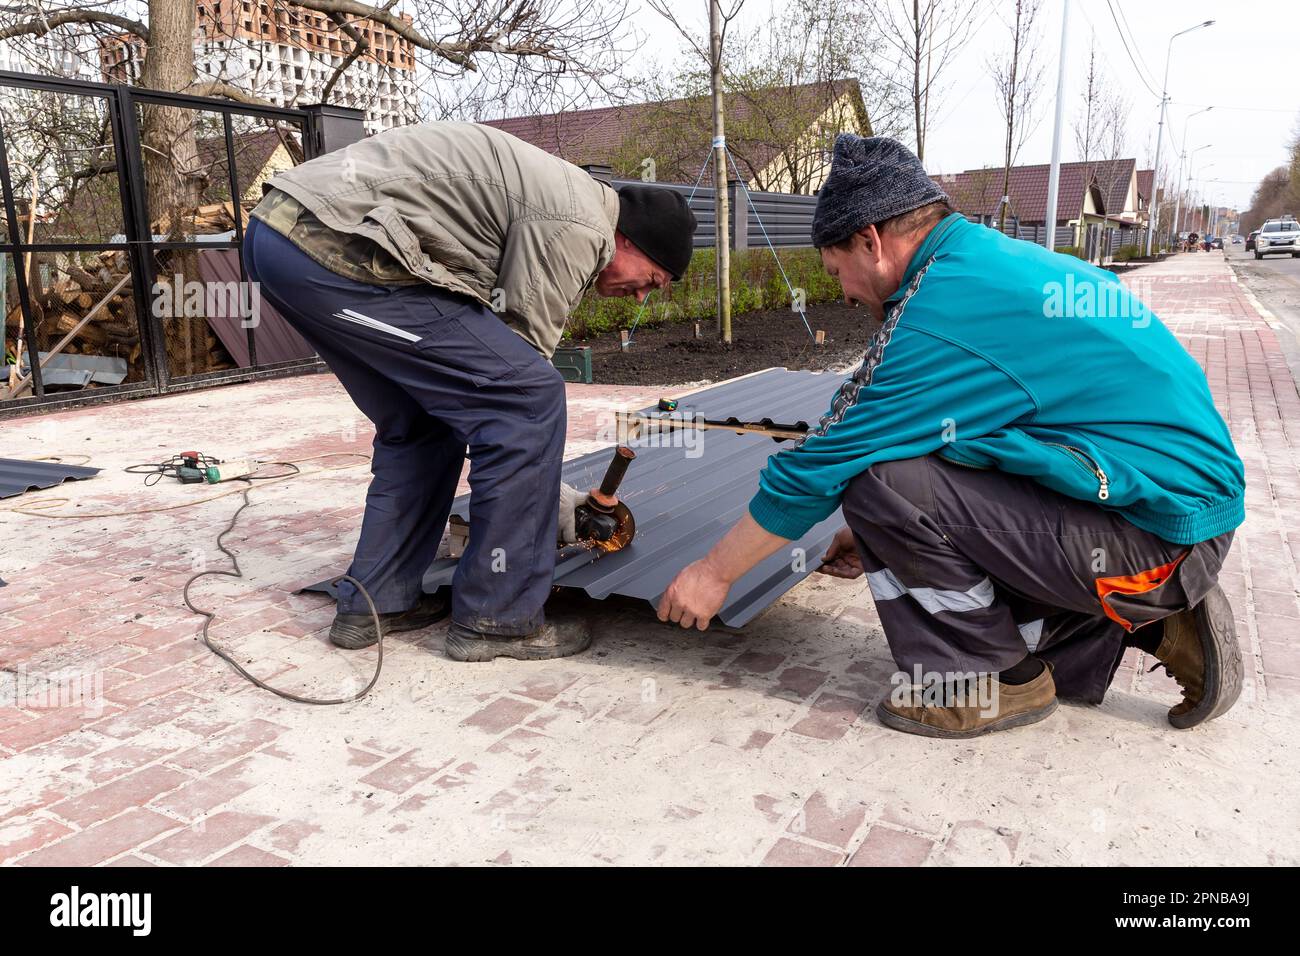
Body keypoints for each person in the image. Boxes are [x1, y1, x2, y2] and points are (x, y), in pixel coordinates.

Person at [657, 135, 1245, 738]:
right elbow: (926, 424)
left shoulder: (941, 309)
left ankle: (992, 682)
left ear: (871, 241)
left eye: (837, 271)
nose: (843, 292)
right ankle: (1157, 622)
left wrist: (714, 572)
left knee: (874, 479)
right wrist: (876, 530)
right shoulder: (983, 265)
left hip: (1155, 536)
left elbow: (824, 458)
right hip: (1166, 515)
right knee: (900, 473)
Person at [242, 121, 696, 662]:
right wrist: (552, 505)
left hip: (286, 240)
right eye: (653, 278)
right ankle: (498, 618)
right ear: (629, 240)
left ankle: (377, 602)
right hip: (336, 247)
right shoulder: (578, 223)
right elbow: (519, 375)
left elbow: (483, 376)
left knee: (423, 423)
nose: (642, 294)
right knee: (531, 397)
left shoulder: (568, 203)